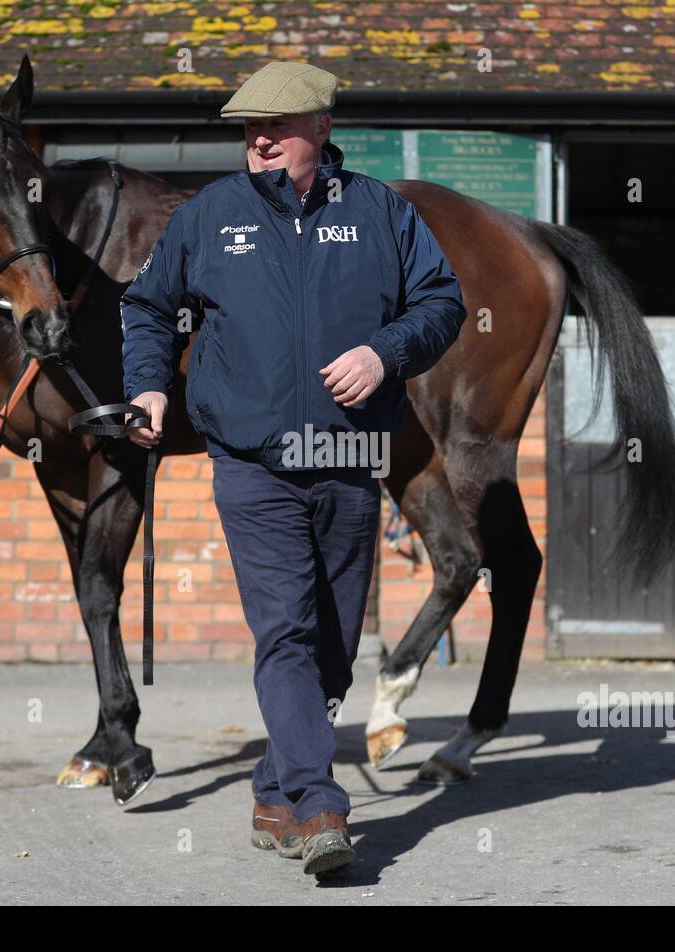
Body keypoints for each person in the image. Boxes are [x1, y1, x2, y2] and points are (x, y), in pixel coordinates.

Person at [120, 61, 466, 880]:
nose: (260, 140)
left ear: (321, 129)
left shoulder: (380, 212)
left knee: (337, 649)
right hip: (251, 462)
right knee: (286, 633)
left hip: (349, 461)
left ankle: (274, 787)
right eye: (248, 130)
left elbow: (442, 302)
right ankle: (317, 804)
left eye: (276, 127)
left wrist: (385, 353)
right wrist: (148, 383)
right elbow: (147, 304)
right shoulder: (211, 215)